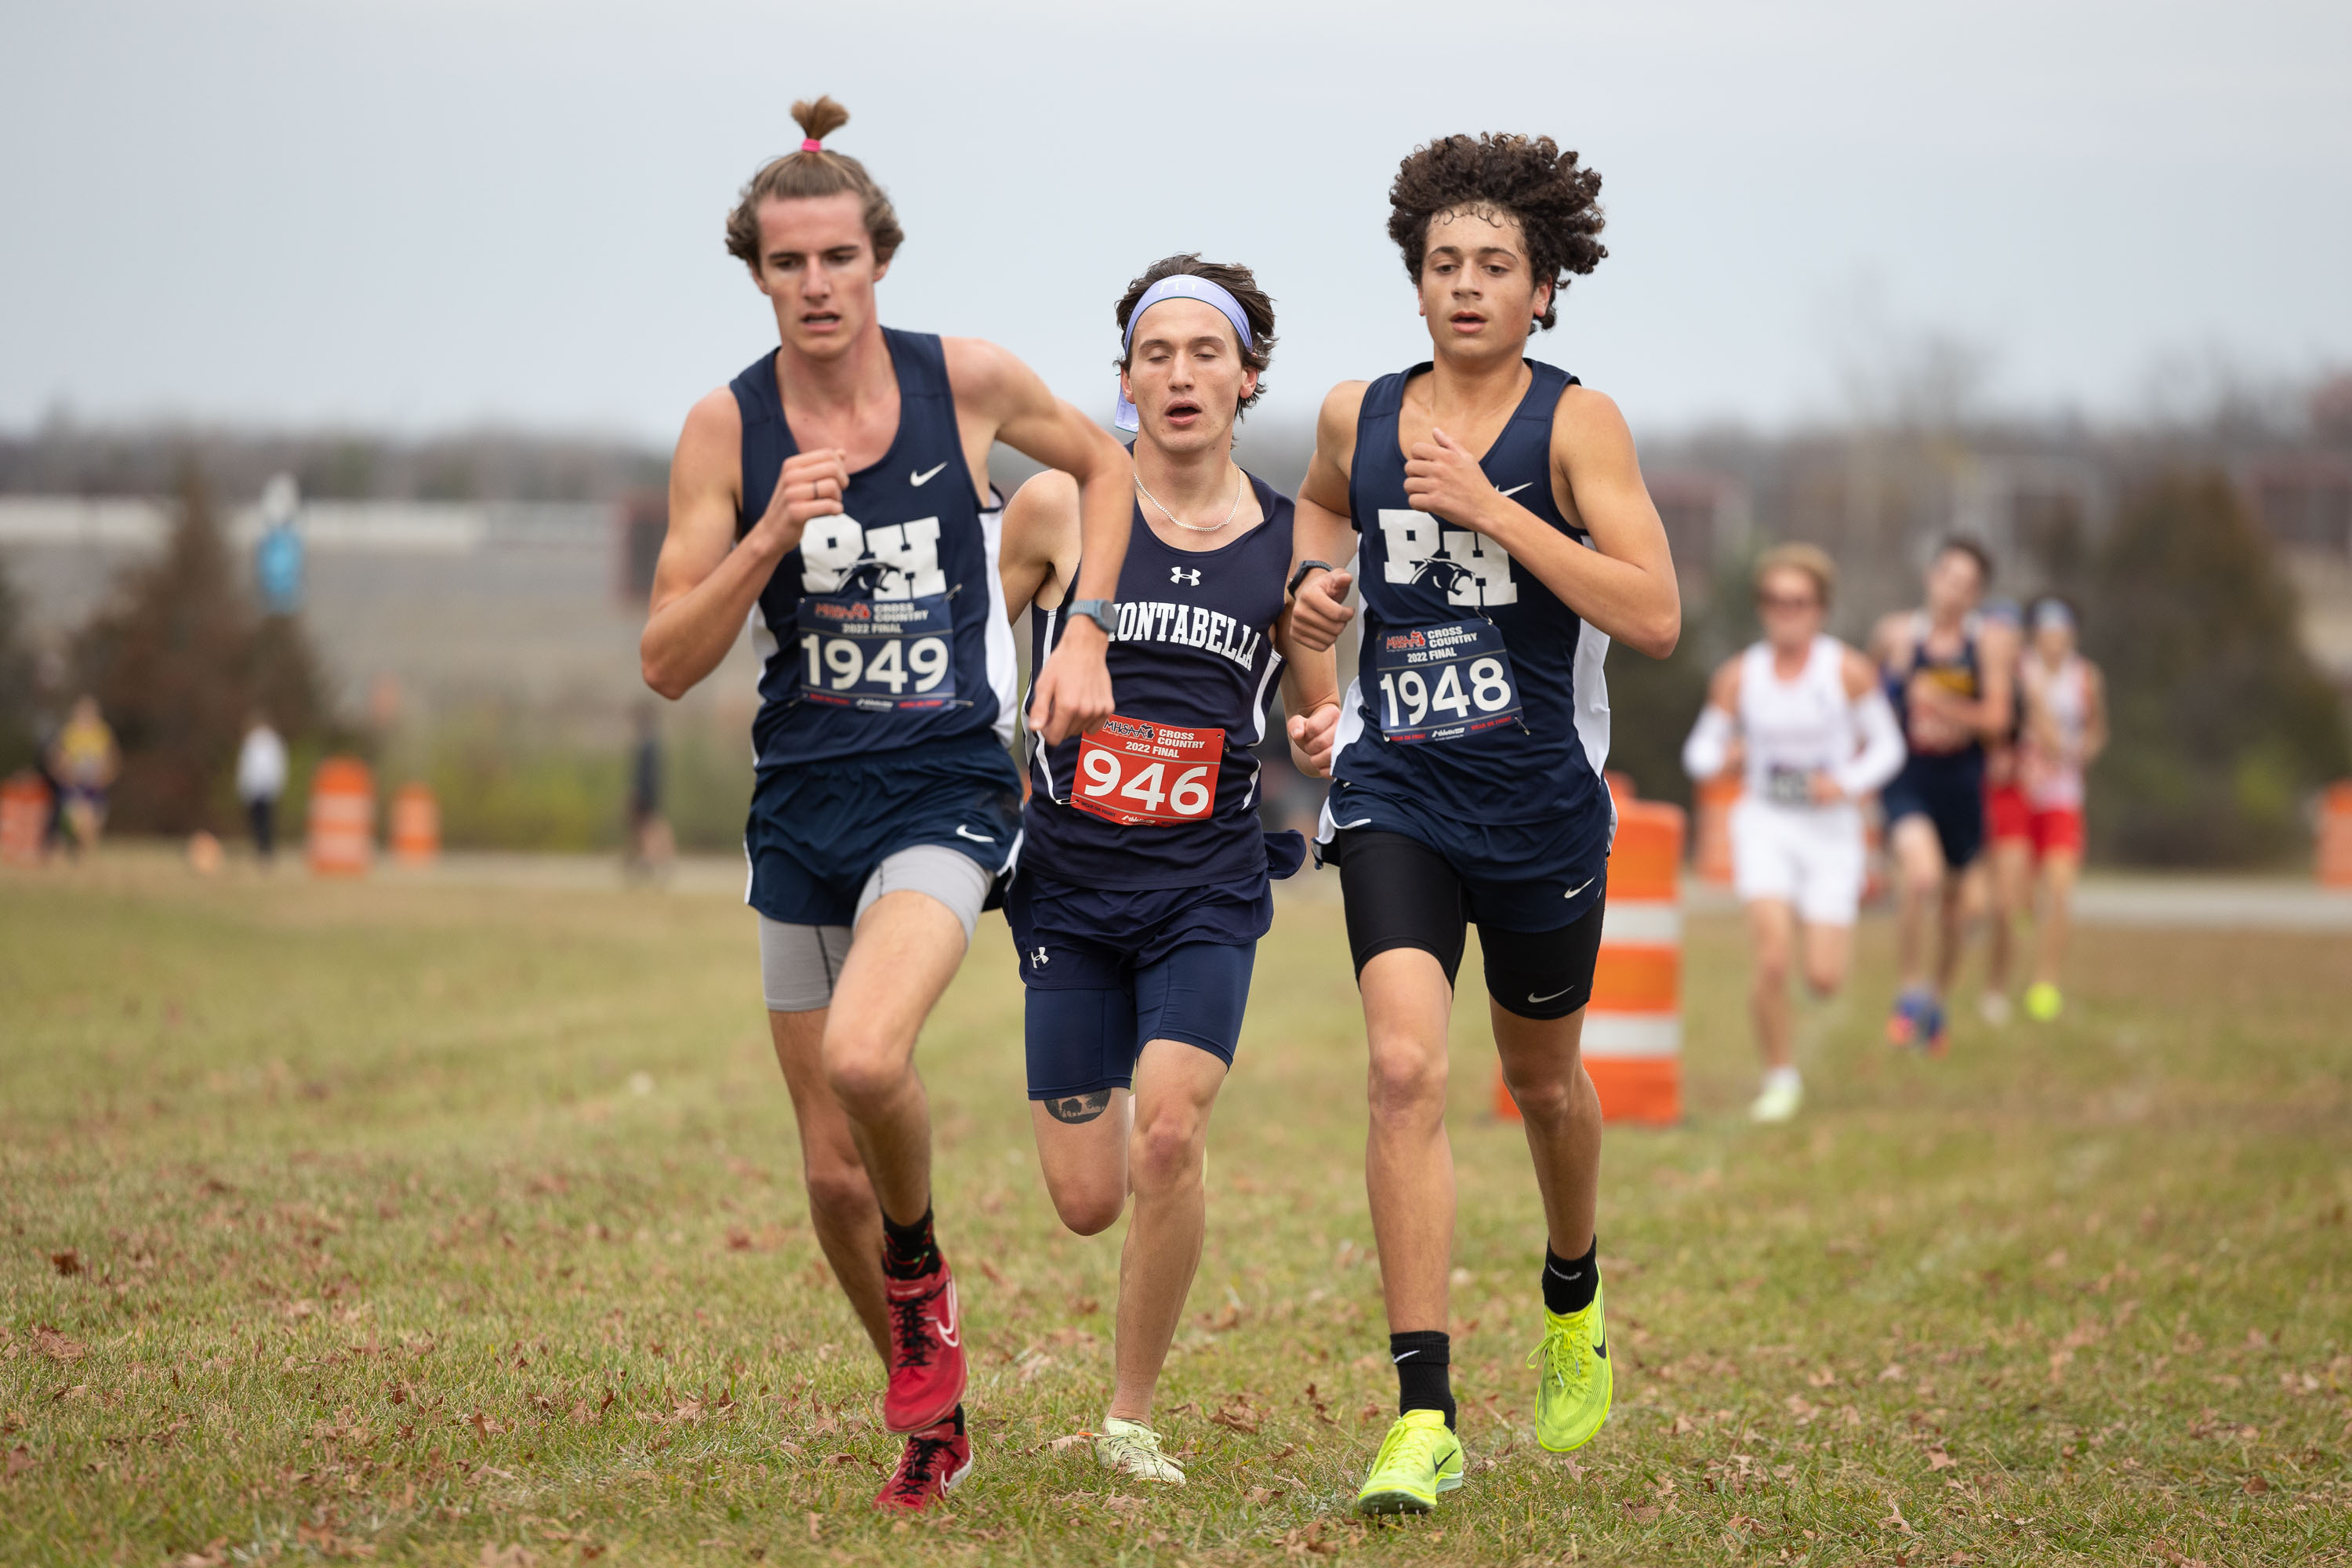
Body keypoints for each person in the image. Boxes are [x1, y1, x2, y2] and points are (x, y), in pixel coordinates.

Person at [637, 97, 1133, 1512]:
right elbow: (667, 659)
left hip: (944, 786)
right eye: (788, 263)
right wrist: (765, 538)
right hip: (802, 804)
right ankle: (935, 1413)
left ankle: (921, 1281)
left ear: (880, 261)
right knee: (830, 1176)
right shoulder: (724, 430)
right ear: (756, 273)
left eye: (839, 258)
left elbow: (1103, 467)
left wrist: (1086, 630)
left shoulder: (962, 382)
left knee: (868, 1059)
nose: (816, 286)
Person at [1286, 132, 1681, 1515]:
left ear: (1543, 290)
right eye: (1444, 263)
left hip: (1541, 808)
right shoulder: (1358, 414)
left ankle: (1572, 1290)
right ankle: (1423, 1416)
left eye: (1496, 266)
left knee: (1544, 1085)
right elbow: (1318, 518)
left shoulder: (1576, 426)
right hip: (1396, 786)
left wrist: (1495, 516)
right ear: (1415, 283)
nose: (1466, 285)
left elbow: (1655, 613)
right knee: (1403, 1072)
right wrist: (1314, 627)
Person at [998, 255, 1341, 1485]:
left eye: (1208, 354)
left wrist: (1322, 729)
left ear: (1248, 379)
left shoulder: (1293, 540)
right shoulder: (1057, 507)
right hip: (1069, 885)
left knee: (1169, 1137)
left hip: (1207, 883)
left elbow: (1315, 712)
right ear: (1126, 378)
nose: (1182, 375)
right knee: (1087, 1198)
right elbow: (971, 645)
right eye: (1159, 354)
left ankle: (1128, 1419)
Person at [1681, 546, 1905, 1123]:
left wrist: (1844, 783)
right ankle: (1779, 1076)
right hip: (1765, 824)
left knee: (1824, 978)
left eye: (1799, 602)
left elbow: (1888, 747)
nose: (1787, 612)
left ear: (1820, 609)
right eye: (1776, 601)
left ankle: (1817, 965)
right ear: (1762, 607)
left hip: (1831, 833)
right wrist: (1727, 757)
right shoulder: (1739, 676)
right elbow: (1699, 753)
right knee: (1773, 957)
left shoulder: (1847, 671)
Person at [1868, 539, 2017, 1054]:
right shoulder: (1894, 634)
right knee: (1920, 876)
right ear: (1931, 577)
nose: (1954, 591)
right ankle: (1909, 991)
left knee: (1957, 910)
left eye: (1967, 585)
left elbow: (1998, 721)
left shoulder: (1990, 643)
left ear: (1977, 595)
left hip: (1960, 782)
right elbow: (1863, 699)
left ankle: (1937, 997)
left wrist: (1942, 704)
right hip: (1908, 775)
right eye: (1948, 577)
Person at [2009, 596, 2105, 1021]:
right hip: (2020, 793)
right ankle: (2008, 963)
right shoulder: (2019, 671)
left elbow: (2097, 729)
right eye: (2048, 634)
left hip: (2063, 798)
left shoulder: (2086, 677)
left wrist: (2085, 751)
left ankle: (2046, 982)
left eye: (2063, 634)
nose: (2056, 642)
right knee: (2019, 897)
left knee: (2062, 890)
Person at [49, 695, 120, 857]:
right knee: (77, 819)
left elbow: (113, 758)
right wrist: (64, 775)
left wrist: (106, 777)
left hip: (95, 785)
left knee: (94, 823)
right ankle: (72, 849)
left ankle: (84, 855)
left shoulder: (103, 732)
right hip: (73, 784)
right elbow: (57, 758)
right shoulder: (69, 732)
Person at [623, 701, 675, 881]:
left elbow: (647, 774)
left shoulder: (649, 746)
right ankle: (648, 858)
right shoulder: (650, 744)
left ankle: (651, 859)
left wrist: (639, 791)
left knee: (649, 826)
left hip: (647, 792)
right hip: (649, 791)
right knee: (649, 825)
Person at [236, 714, 288, 862]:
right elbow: (246, 767)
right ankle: (259, 850)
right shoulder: (251, 742)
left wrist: (276, 785)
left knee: (266, 821)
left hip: (267, 787)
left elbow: (278, 766)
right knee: (257, 821)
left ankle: (267, 851)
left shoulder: (273, 742)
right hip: (254, 788)